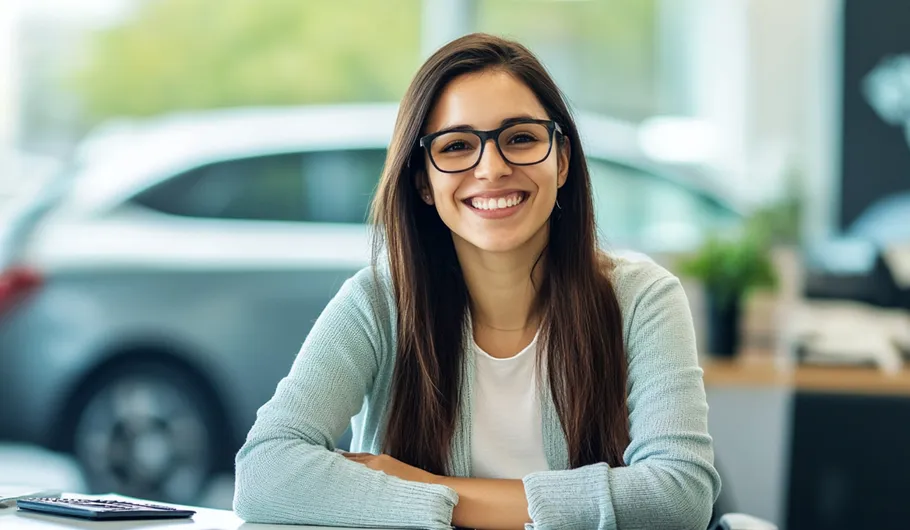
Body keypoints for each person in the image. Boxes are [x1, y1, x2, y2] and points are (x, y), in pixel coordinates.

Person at [233, 33, 721, 530]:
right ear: (423, 180)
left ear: (563, 159)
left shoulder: (642, 299)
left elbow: (679, 496)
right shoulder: (377, 303)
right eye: (458, 145)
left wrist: (422, 489)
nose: (492, 169)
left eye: (521, 138)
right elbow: (264, 473)